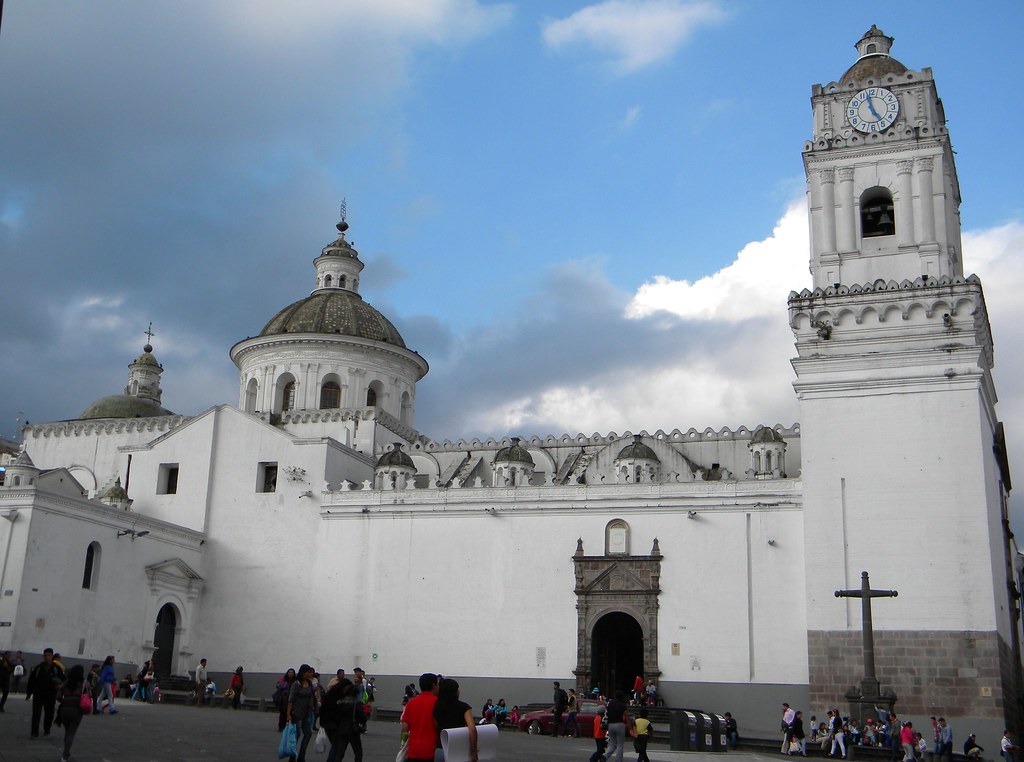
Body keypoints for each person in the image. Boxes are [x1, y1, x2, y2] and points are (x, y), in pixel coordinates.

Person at [434, 678, 478, 762]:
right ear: (455, 692)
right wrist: (473, 751)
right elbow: (472, 729)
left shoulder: (436, 707)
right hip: (458, 750)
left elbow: (436, 726)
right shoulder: (464, 707)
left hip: (440, 749)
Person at [321, 677, 364, 762]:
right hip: (349, 728)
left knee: (339, 750)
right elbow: (361, 716)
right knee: (356, 751)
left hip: (338, 727)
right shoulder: (354, 702)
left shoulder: (336, 698)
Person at [25, 647, 64, 738]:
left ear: (52, 656)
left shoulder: (56, 668)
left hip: (50, 694)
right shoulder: (38, 668)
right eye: (45, 655)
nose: (47, 657)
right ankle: (34, 732)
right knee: (36, 714)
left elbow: (63, 680)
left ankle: (47, 729)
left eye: (49, 655)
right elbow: (32, 680)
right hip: (38, 693)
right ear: (43, 656)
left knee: (49, 713)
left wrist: (59, 687)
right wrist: (29, 693)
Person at [401, 672, 439, 762]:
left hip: (413, 751)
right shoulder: (438, 703)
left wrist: (402, 744)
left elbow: (404, 729)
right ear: (434, 685)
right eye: (438, 684)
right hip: (431, 751)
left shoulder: (411, 703)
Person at [56, 664, 87, 762]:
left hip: (64, 710)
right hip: (77, 710)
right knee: (71, 732)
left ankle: (67, 752)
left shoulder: (66, 683)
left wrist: (65, 701)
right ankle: (64, 756)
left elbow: (58, 696)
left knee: (67, 731)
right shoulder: (84, 683)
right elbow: (88, 695)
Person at [287, 664, 318, 762]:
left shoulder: (309, 683)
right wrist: (288, 714)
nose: (310, 674)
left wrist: (314, 707)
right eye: (309, 672)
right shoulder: (296, 684)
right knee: (296, 735)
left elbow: (311, 697)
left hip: (306, 713)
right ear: (303, 673)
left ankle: (302, 756)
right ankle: (292, 756)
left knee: (308, 734)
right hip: (296, 713)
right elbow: (291, 700)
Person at [604, 689, 630, 762]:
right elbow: (626, 716)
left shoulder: (610, 703)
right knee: (620, 745)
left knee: (612, 744)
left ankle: (605, 756)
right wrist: (629, 727)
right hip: (619, 724)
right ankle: (618, 760)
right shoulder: (622, 705)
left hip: (610, 725)